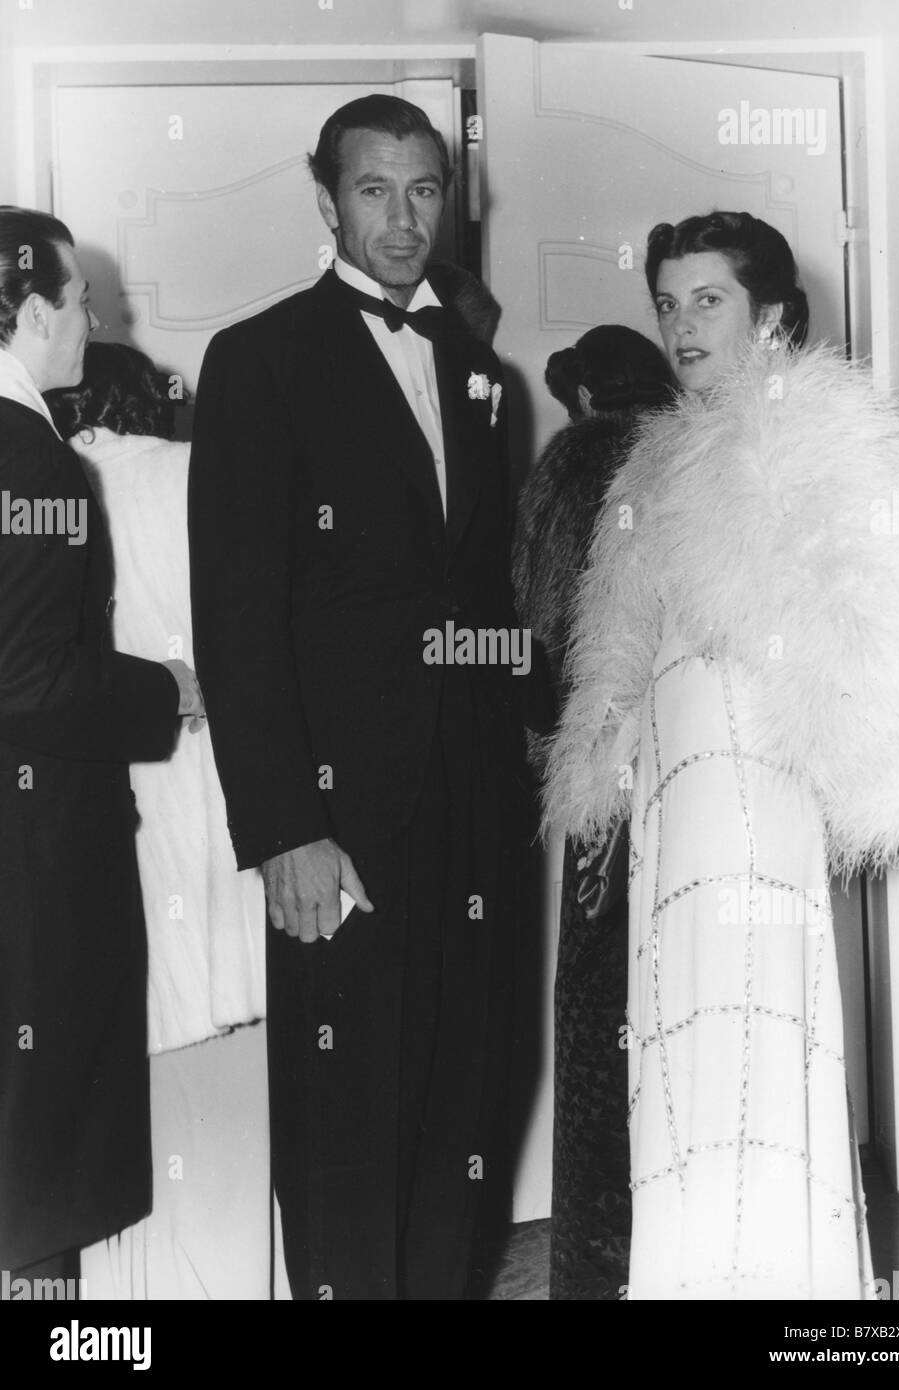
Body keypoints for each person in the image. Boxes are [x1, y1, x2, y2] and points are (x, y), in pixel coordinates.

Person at [545, 211, 899, 1300]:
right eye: (668, 303)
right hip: (669, 814)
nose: (680, 325)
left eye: (708, 300)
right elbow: (621, 660)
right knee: (678, 1072)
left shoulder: (822, 430)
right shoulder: (649, 466)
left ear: (771, 312)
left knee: (760, 1069)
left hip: (753, 810)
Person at [188, 95, 535, 1301]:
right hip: (337, 819)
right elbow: (238, 619)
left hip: (477, 814)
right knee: (346, 1120)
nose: (403, 217)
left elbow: (486, 597)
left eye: (425, 189)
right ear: (325, 194)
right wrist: (286, 826)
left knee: (464, 1107)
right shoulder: (260, 359)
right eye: (376, 189)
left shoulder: (485, 374)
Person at [46, 340, 284, 1299]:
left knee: (121, 1107)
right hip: (223, 808)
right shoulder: (200, 477)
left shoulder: (50, 487)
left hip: (101, 822)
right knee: (232, 1099)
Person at [0, 208, 202, 1284]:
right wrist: (160, 688)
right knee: (39, 1172)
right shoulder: (32, 461)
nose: (94, 315)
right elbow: (24, 676)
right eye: (79, 298)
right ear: (32, 312)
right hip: (35, 856)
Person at [512, 324, 673, 1300]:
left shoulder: (574, 465)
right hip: (693, 764)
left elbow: (535, 640)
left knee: (596, 1014)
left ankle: (594, 1267)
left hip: (603, 778)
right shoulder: (690, 451)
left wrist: (540, 743)